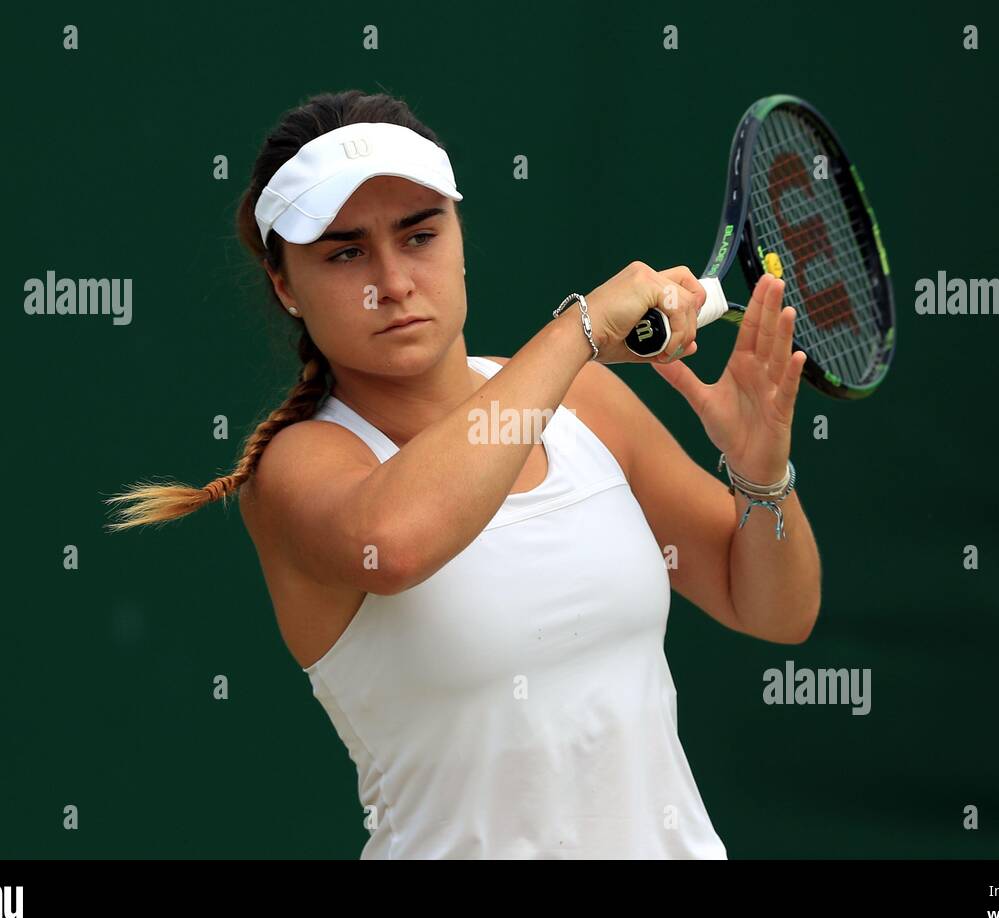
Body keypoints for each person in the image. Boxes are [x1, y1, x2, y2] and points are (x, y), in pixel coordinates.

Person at [104, 89, 822, 859]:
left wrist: (760, 474)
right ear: (285, 284)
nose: (393, 280)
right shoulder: (299, 468)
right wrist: (579, 329)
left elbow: (775, 608)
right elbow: (400, 541)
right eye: (345, 252)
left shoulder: (583, 397)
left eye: (420, 235)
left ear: (459, 234)